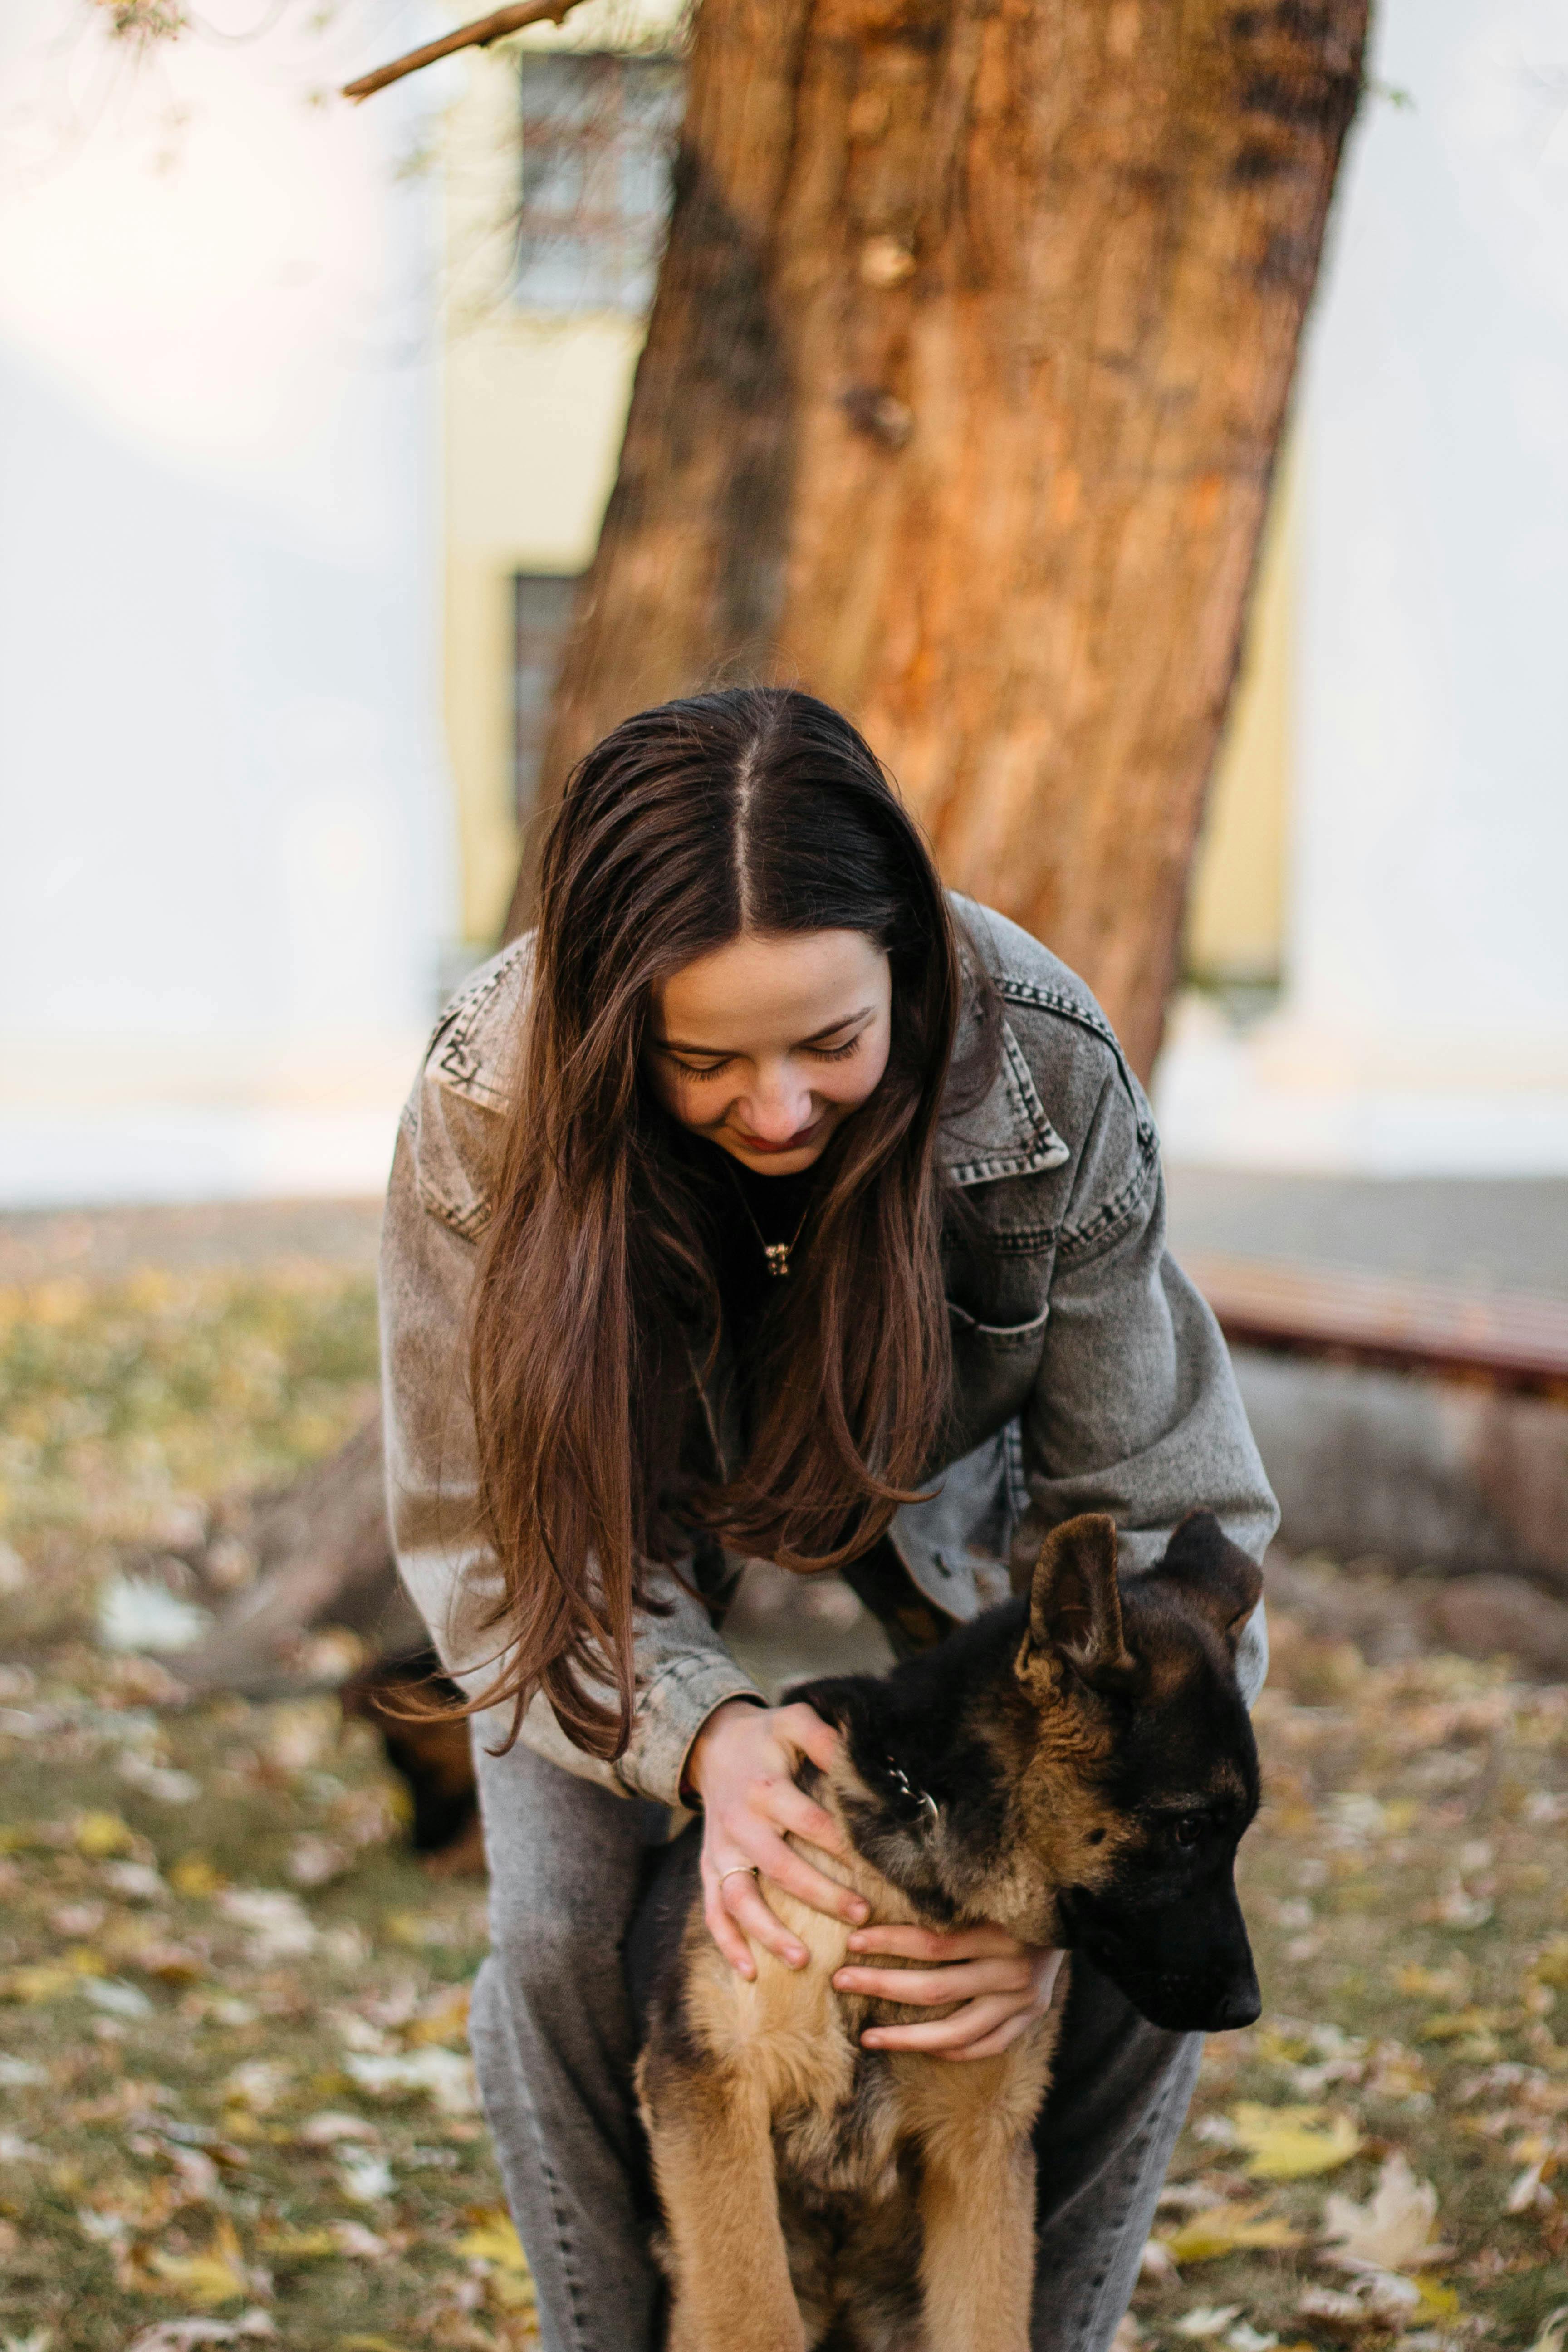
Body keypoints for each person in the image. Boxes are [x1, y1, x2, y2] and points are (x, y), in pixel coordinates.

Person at [380, 686, 1276, 2352]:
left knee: (1143, 1920)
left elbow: (1165, 1515)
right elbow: (480, 1538)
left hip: (947, 1506)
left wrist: (1035, 1932)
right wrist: (703, 1731)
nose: (780, 1112)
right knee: (564, 1928)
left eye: (833, 1046)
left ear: (912, 973)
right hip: (604, 1532)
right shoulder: (490, 1111)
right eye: (702, 1060)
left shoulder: (1047, 1070)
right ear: (604, 1025)